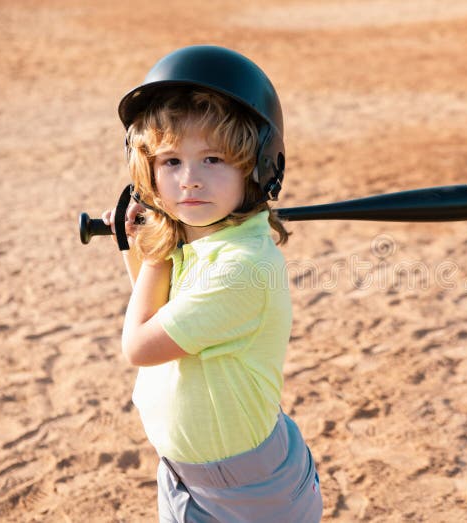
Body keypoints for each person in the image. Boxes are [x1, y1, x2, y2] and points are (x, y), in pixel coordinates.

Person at [102, 45, 322, 523]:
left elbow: (140, 344)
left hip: (247, 492)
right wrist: (137, 242)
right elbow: (156, 307)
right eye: (171, 162)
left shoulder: (239, 267)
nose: (190, 181)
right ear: (147, 172)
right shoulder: (206, 240)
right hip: (184, 478)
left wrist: (159, 251)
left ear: (259, 167)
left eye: (214, 160)